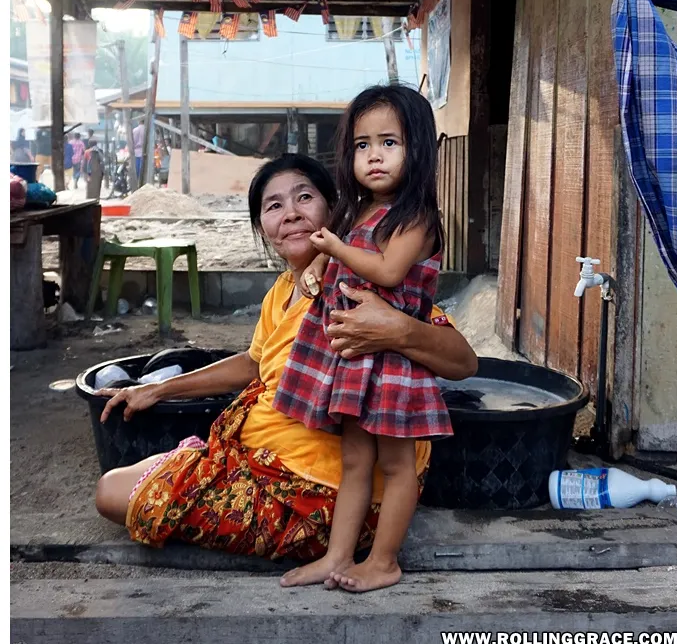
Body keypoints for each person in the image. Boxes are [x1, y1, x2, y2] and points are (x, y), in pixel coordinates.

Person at [93, 153, 477, 572]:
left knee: (112, 492)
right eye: (274, 206)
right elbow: (255, 364)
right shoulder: (281, 292)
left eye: (304, 198)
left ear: (335, 211)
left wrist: (399, 330)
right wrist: (158, 388)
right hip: (259, 456)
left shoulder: (360, 286)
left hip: (319, 490)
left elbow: (463, 361)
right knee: (135, 472)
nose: (291, 214)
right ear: (262, 229)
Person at [273, 85, 450, 592]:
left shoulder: (415, 218)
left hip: (393, 358)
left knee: (396, 466)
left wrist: (330, 248)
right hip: (354, 357)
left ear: (418, 149)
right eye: (361, 145)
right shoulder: (358, 213)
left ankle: (384, 560)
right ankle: (337, 555)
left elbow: (390, 272)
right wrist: (318, 266)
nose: (373, 155)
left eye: (389, 142)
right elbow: (337, 254)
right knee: (356, 460)